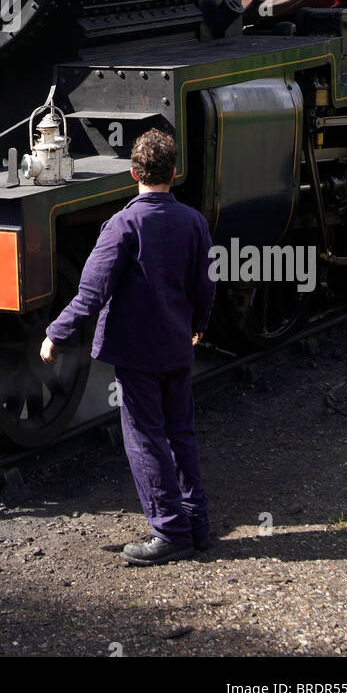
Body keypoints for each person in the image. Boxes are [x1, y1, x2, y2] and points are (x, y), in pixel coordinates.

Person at [40, 128, 215, 566]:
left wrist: (56, 333)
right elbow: (205, 287)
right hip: (177, 345)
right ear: (174, 172)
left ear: (133, 173)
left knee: (144, 438)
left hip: (138, 353)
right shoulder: (194, 222)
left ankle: (170, 532)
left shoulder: (123, 225)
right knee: (181, 434)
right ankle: (196, 524)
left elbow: (91, 293)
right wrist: (199, 325)